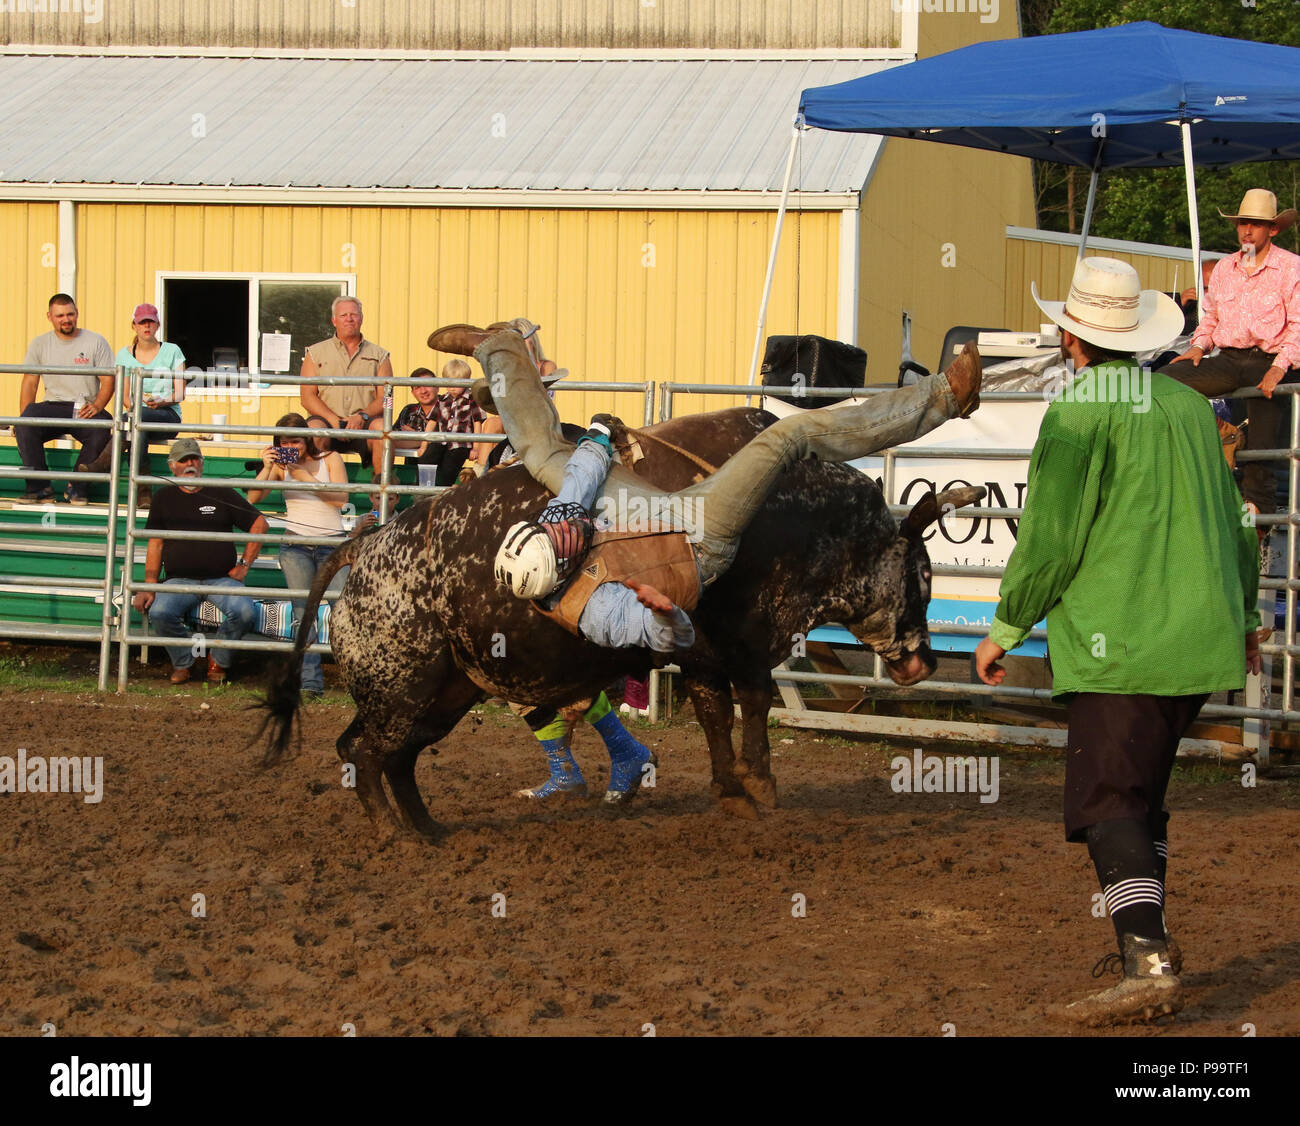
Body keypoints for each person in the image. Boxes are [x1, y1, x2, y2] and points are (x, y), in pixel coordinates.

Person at [973, 256, 1261, 1027]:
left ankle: (1149, 958)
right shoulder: (1191, 409)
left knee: (1107, 798)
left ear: (1073, 339)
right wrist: (1246, 618)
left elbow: (1051, 535)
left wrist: (1007, 623)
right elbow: (1236, 520)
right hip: (1197, 638)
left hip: (1122, 642)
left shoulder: (1079, 413)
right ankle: (1150, 944)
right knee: (1142, 801)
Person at [429, 318, 981, 657]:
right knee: (786, 438)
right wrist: (664, 613)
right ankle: (942, 400)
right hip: (697, 541)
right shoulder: (594, 611)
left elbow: (576, 488)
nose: (565, 529)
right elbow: (677, 641)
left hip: (636, 520)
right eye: (565, 542)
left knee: (545, 451)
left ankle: (499, 348)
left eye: (558, 531)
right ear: (560, 577)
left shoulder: (556, 537)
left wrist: (598, 440)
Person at [1158, 189, 1300, 525]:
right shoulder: (1223, 268)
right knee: (1161, 382)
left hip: (1268, 360)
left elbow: (1298, 325)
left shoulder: (1291, 267)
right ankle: (1223, 431)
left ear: (1273, 229)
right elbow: (1211, 317)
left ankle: (1256, 539)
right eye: (1242, 223)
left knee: (1260, 462)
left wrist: (1279, 367)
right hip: (1228, 358)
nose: (1246, 230)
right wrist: (1199, 345)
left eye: (1255, 224)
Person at [131, 438, 270, 685]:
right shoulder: (163, 497)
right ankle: (184, 662)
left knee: (246, 611)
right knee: (160, 612)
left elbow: (260, 523)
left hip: (221, 579)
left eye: (194, 458)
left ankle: (219, 659)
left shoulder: (221, 492)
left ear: (202, 463)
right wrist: (150, 584)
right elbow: (155, 543)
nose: (190, 463)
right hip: (178, 579)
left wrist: (244, 565)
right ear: (172, 466)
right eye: (184, 460)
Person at [248, 414, 349, 699]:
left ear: (307, 439)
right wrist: (268, 467)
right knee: (303, 614)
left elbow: (340, 499)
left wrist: (303, 476)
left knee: (344, 609)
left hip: (332, 543)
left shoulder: (331, 458)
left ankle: (356, 676)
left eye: (295, 440)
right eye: (284, 442)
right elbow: (254, 497)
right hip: (295, 545)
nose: (291, 446)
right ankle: (310, 683)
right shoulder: (281, 467)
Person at [81, 303, 186, 508]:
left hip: (167, 415)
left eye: (150, 322)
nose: (146, 326)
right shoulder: (124, 354)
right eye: (142, 322)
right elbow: (124, 395)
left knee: (128, 420)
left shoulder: (173, 350)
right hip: (137, 417)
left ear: (157, 325)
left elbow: (181, 392)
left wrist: (162, 401)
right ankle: (143, 493)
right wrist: (137, 409)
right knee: (137, 428)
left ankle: (103, 465)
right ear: (134, 326)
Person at [15, 293, 115, 505]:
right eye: (60, 315)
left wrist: (97, 405)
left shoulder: (95, 341)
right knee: (24, 425)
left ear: (77, 314)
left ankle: (77, 487)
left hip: (84, 407)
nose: (66, 319)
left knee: (102, 429)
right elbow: (30, 382)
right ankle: (39, 487)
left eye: (70, 314)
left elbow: (108, 381)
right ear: (49, 316)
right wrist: (24, 417)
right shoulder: (39, 344)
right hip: (51, 405)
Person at [299, 296, 393, 483]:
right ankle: (313, 493)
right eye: (343, 315)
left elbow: (386, 398)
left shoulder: (380, 355)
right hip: (327, 421)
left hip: (364, 423)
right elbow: (307, 397)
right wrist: (334, 421)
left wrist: (362, 417)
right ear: (334, 320)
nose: (349, 319)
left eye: (353, 315)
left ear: (361, 319)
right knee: (312, 430)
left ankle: (381, 499)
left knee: (383, 430)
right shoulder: (315, 352)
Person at [393, 361, 486, 486]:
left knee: (449, 466)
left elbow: (477, 423)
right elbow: (432, 422)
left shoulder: (472, 400)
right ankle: (422, 490)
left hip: (461, 443)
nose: (452, 387)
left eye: (457, 383)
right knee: (427, 458)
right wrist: (424, 445)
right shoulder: (442, 400)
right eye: (449, 382)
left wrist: (475, 448)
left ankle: (444, 492)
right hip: (441, 440)